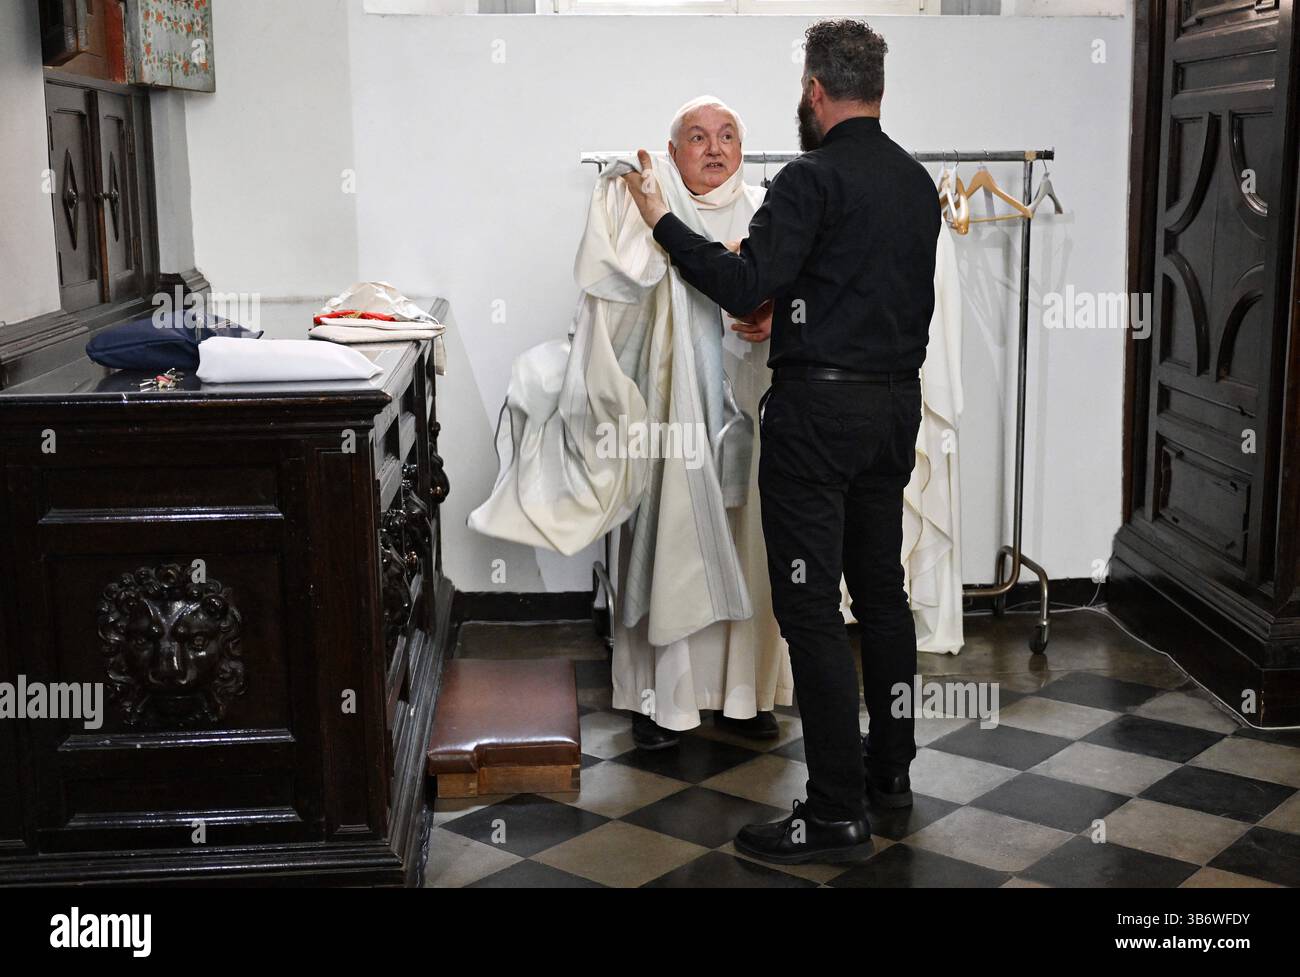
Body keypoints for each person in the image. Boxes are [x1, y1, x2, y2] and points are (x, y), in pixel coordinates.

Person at [622, 19, 941, 863]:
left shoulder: (810, 178)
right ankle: (891, 772)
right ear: (878, 85)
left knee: (808, 609)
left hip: (816, 422)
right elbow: (851, 283)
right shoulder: (915, 185)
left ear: (814, 92)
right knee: (881, 594)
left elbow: (740, 281)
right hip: (893, 410)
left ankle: (833, 809)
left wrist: (662, 220)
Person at [613, 97, 795, 751]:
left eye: (727, 136)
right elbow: (614, 303)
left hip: (754, 397)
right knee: (675, 537)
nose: (715, 149)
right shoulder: (645, 209)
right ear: (673, 150)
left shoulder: (772, 213)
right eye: (697, 137)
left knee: (751, 543)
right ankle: (664, 697)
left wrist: (778, 309)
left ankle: (746, 692)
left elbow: (805, 291)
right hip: (671, 412)